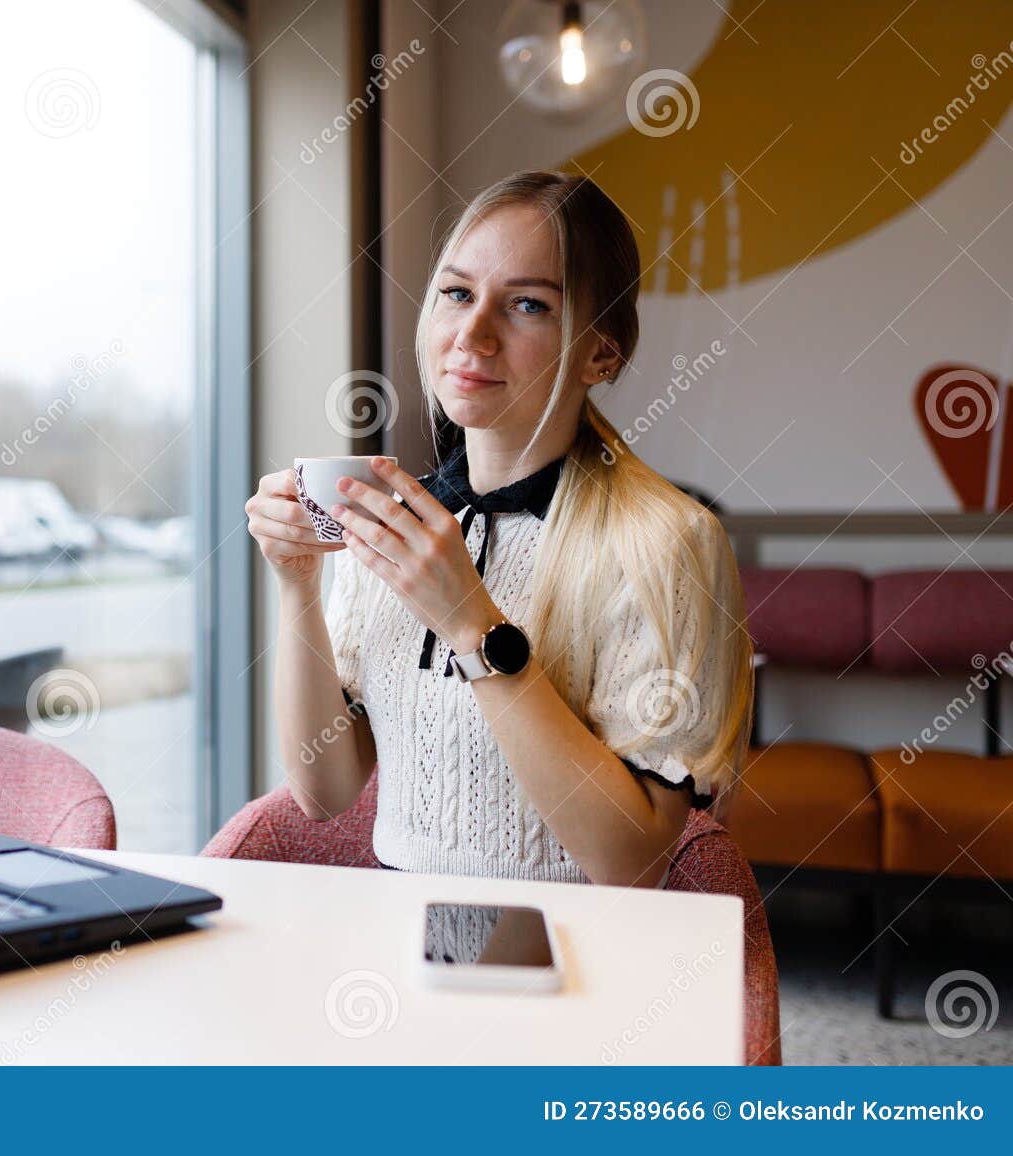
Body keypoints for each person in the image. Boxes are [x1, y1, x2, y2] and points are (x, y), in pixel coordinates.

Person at [244, 170, 753, 887]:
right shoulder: (393, 525)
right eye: (457, 293)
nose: (473, 334)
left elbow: (630, 861)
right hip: (404, 943)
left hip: (582, 960)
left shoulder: (668, 543)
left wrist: (469, 623)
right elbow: (323, 794)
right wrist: (296, 585)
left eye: (526, 305)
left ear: (601, 353)